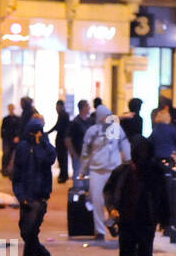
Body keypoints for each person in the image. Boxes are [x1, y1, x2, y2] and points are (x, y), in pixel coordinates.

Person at [105, 136, 169, 256]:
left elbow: (163, 197)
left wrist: (165, 219)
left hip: (147, 219)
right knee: (126, 254)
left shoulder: (155, 172)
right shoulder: (123, 171)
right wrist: (112, 208)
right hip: (126, 219)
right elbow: (109, 190)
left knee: (144, 253)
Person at [10, 117, 56, 256]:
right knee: (26, 233)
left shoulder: (45, 147)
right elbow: (17, 174)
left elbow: (48, 159)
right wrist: (21, 196)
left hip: (40, 197)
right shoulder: (23, 147)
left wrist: (41, 144)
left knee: (30, 232)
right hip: (27, 197)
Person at [81, 105, 127, 241]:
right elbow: (85, 152)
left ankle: (113, 223)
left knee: (116, 201)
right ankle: (100, 230)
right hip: (96, 170)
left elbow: (124, 146)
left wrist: (128, 161)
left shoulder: (116, 130)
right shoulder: (92, 132)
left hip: (114, 169)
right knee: (97, 201)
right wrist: (83, 170)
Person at [68, 99, 94, 181]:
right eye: (88, 106)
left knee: (88, 180)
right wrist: (73, 153)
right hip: (78, 154)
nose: (89, 108)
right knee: (78, 178)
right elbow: (68, 139)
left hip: (89, 155)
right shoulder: (75, 122)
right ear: (83, 108)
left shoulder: (90, 121)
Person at [49, 100, 72, 183]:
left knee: (62, 158)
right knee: (62, 158)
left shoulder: (63, 115)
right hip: (62, 139)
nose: (56, 108)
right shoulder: (63, 115)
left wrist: (48, 132)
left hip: (62, 139)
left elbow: (58, 126)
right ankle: (63, 174)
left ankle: (63, 175)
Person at [0, 103, 23, 177]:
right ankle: (4, 170)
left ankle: (11, 170)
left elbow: (19, 128)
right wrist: (3, 137)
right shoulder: (5, 119)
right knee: (6, 154)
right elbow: (2, 129)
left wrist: (18, 136)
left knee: (13, 155)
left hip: (14, 139)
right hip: (7, 139)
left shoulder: (17, 119)